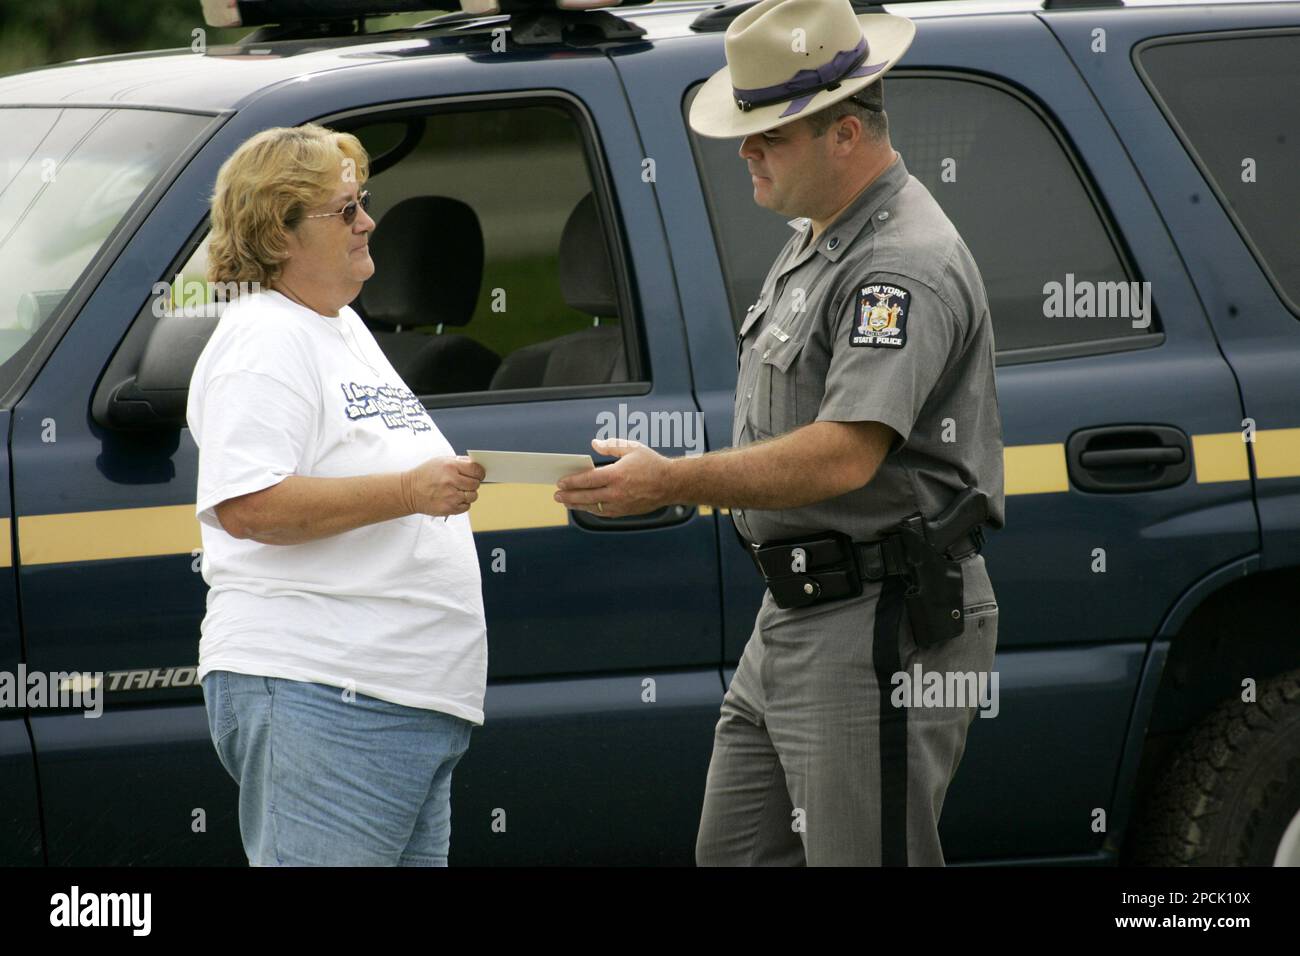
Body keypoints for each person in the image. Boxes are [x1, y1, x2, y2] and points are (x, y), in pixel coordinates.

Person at [555, 0, 1005, 865]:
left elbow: (845, 451)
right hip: (799, 613)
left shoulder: (897, 261)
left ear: (845, 132)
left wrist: (673, 480)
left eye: (772, 133)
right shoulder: (821, 236)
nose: (745, 149)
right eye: (746, 128)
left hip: (877, 615)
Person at [188, 123, 488, 866]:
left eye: (363, 202)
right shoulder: (263, 337)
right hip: (325, 694)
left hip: (396, 702)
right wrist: (412, 491)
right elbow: (249, 506)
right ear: (278, 233)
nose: (367, 222)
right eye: (344, 210)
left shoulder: (339, 326)